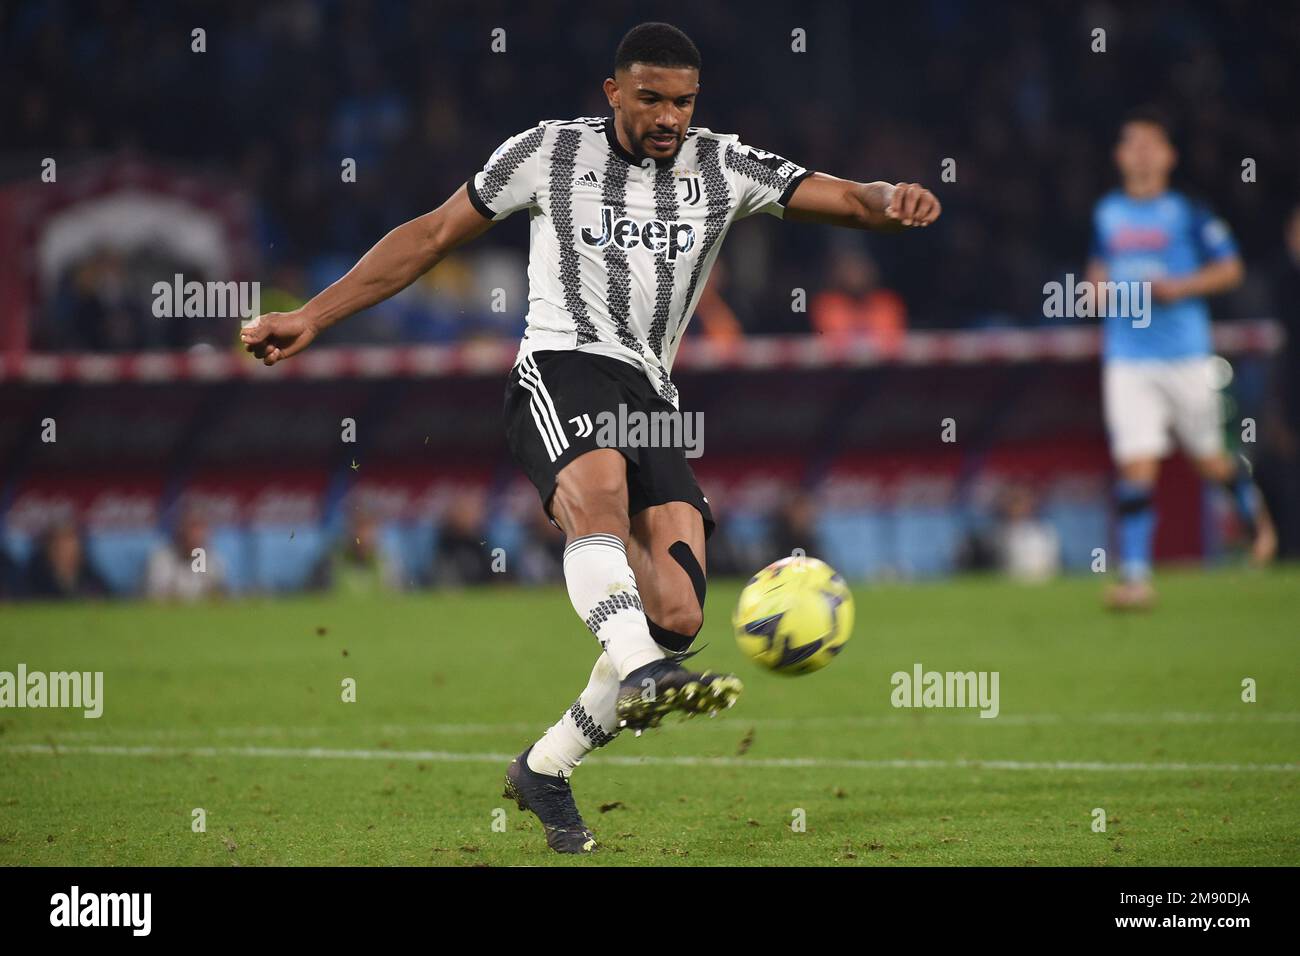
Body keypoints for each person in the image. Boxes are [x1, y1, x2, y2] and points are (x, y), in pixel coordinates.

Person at [241, 22, 940, 853]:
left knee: (677, 612)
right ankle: (643, 672)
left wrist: (891, 199)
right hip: (561, 366)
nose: (669, 116)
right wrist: (311, 316)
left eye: (683, 101)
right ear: (613, 92)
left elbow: (844, 197)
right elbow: (429, 237)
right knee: (600, 500)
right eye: (650, 98)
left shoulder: (724, 165)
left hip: (650, 391)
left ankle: (547, 765)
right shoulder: (545, 153)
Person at [1085, 108, 1275, 610]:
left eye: (1152, 144)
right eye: (1133, 144)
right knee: (1135, 466)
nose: (1142, 153)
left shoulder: (1190, 213)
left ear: (1169, 156)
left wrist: (1182, 287)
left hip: (1185, 354)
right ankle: (1136, 579)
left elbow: (1231, 269)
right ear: (1120, 156)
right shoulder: (1107, 213)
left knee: (1209, 460)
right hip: (1128, 357)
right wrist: (1094, 292)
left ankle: (1257, 521)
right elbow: (1097, 275)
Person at [144, 509, 228, 602]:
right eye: (192, 530)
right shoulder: (162, 558)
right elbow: (157, 595)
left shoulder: (211, 558)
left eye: (200, 531)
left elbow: (220, 593)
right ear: (181, 532)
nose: (196, 537)